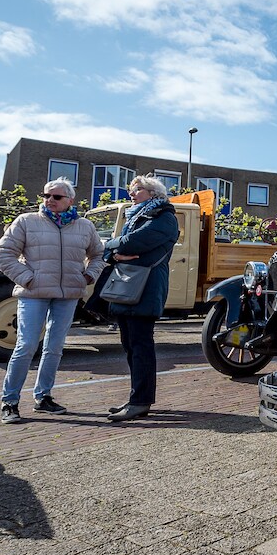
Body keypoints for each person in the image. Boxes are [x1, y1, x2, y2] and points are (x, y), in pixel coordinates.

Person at [0, 177, 105, 424]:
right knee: (26, 346)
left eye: (56, 197)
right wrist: (28, 279)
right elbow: (3, 254)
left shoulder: (84, 226)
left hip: (68, 295)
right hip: (33, 294)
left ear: (70, 200)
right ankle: (9, 401)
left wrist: (88, 275)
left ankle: (43, 397)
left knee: (54, 348)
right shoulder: (26, 221)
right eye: (46, 196)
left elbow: (98, 255)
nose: (49, 200)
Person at [104, 176, 179, 422]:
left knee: (140, 346)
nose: (131, 194)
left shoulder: (164, 217)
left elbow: (131, 242)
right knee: (130, 346)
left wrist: (114, 246)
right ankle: (137, 397)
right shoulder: (137, 216)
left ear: (153, 192)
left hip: (145, 287)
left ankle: (140, 402)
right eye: (130, 190)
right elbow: (117, 249)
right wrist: (116, 251)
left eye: (136, 190)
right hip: (129, 286)